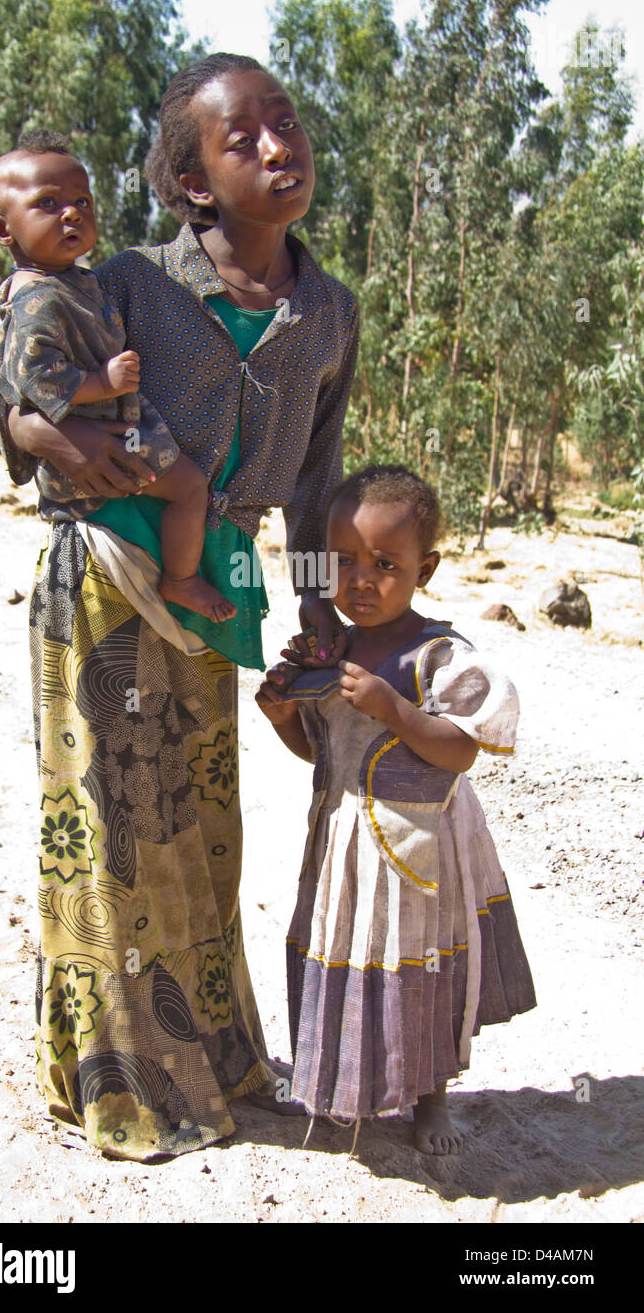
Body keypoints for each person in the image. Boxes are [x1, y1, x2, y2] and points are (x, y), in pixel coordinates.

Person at [0, 53, 357, 1161]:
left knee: (200, 824)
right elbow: (20, 361)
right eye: (245, 139)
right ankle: (121, 1084)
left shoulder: (328, 313)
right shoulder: (131, 283)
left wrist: (321, 611)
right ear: (194, 185)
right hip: (103, 573)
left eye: (286, 124)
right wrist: (50, 435)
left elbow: (318, 482)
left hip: (214, 587)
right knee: (112, 829)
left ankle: (219, 1058)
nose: (279, 147)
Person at [256, 465, 536, 1156]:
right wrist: (281, 714)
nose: (361, 580)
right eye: (345, 561)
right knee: (347, 955)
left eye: (386, 564)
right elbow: (321, 753)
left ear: (426, 568)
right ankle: (335, 1087)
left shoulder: (437, 654)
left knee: (417, 964)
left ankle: (429, 1101)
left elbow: (461, 751)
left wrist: (394, 707)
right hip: (344, 841)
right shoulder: (333, 651)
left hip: (418, 848)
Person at [0, 131, 235, 623]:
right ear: (1, 229)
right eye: (47, 203)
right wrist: (103, 381)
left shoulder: (77, 281)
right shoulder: (37, 300)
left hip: (109, 435)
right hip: (103, 441)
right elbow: (31, 378)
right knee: (189, 487)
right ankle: (180, 580)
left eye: (81, 201)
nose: (71, 213)